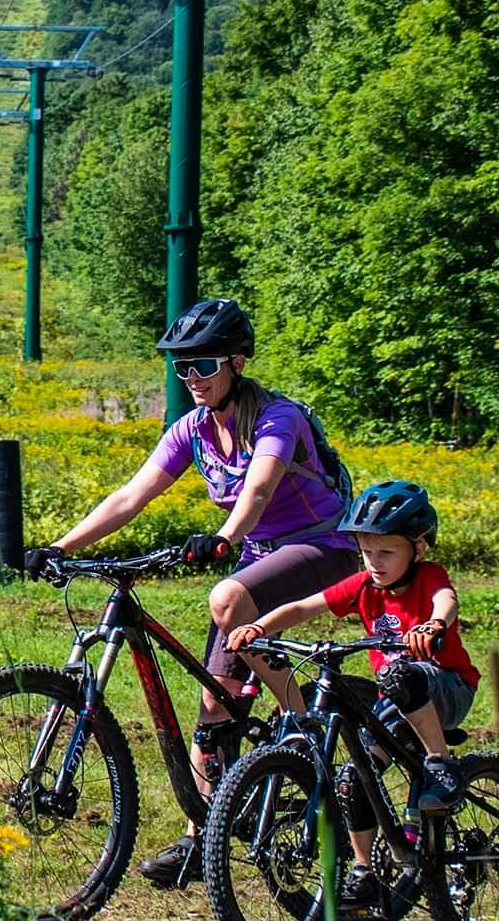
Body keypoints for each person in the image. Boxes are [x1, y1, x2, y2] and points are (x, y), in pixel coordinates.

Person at [24, 298, 358, 889]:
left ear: (237, 360)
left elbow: (255, 493)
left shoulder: (278, 419)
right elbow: (131, 496)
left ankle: (304, 725)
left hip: (322, 547)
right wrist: (61, 546)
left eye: (203, 364)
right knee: (214, 708)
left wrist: (225, 537)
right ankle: (200, 837)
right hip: (255, 561)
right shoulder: (194, 431)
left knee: (226, 600)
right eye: (182, 368)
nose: (193, 379)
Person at [228, 479, 478, 902]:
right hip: (397, 705)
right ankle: (363, 870)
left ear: (418, 550)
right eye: (366, 551)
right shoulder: (364, 585)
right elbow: (304, 607)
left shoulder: (430, 577)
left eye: (387, 551)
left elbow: (445, 600)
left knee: (403, 674)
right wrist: (258, 627)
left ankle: (441, 763)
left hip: (445, 690)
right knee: (353, 778)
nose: (375, 562)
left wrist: (434, 625)